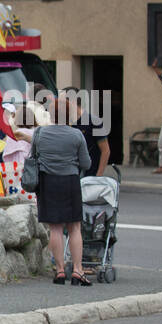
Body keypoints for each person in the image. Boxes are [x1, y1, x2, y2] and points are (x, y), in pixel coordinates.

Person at [33, 111, 93, 286]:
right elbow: (86, 163)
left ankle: (59, 270)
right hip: (70, 182)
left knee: (55, 227)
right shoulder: (76, 135)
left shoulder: (39, 133)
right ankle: (77, 269)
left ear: (52, 116)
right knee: (74, 227)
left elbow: (34, 156)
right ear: (70, 117)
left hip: (47, 181)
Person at [63, 90, 109, 178]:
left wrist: (98, 175)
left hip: (90, 174)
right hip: (70, 174)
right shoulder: (65, 121)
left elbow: (105, 150)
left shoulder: (93, 121)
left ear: (72, 102)